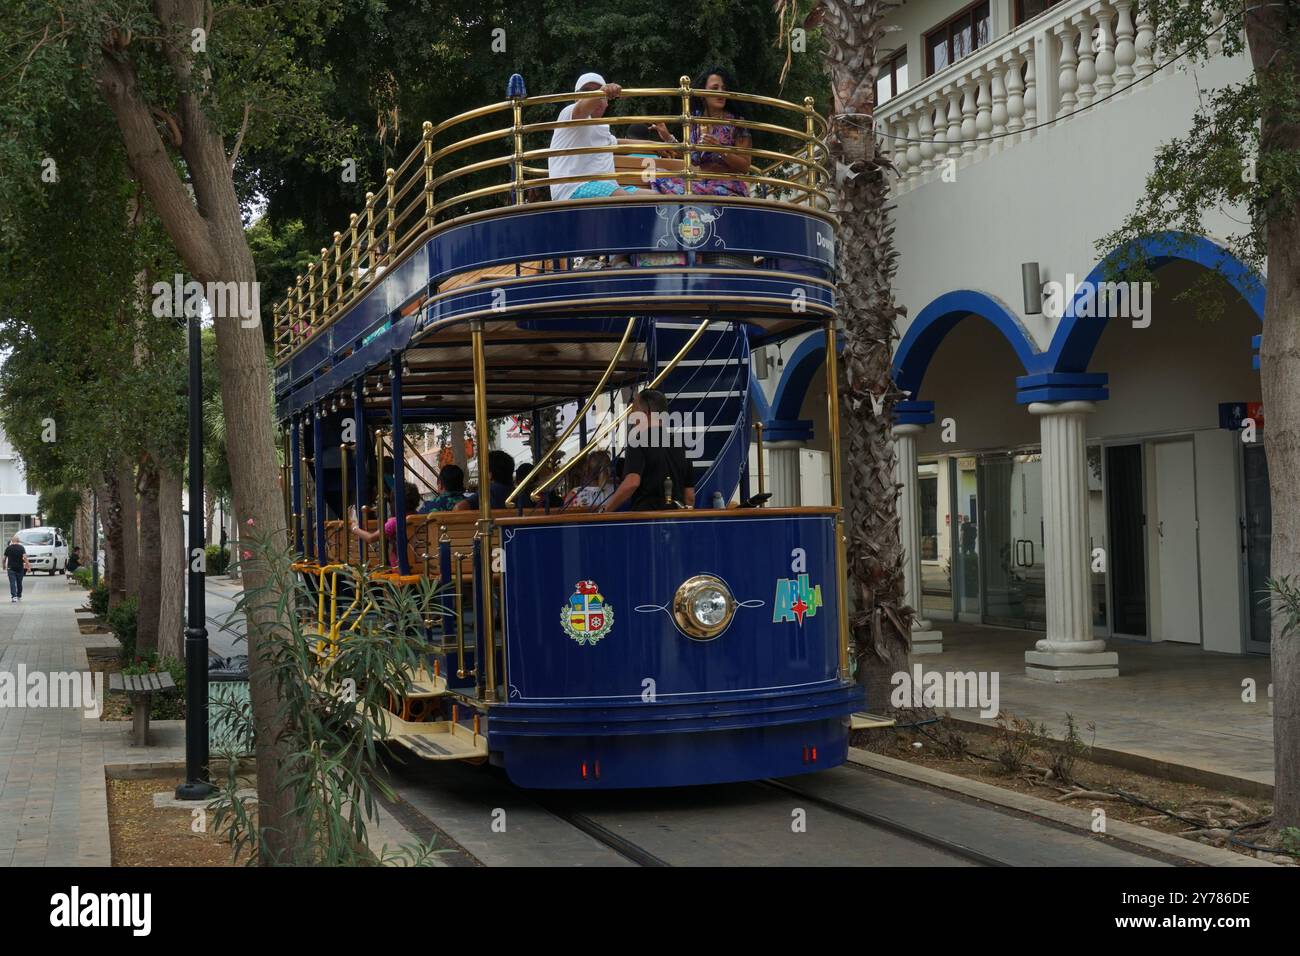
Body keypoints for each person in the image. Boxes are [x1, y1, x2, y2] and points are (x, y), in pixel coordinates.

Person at [548, 72, 653, 203]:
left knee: (656, 196)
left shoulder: (601, 128)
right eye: (587, 91)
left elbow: (618, 143)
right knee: (625, 198)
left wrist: (656, 147)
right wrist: (602, 91)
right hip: (573, 189)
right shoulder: (570, 114)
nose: (596, 95)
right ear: (576, 98)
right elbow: (581, 109)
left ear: (607, 102)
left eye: (600, 93)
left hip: (609, 188)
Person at [650, 66, 752, 197]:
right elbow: (691, 156)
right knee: (657, 174)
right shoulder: (696, 121)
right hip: (703, 185)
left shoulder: (736, 122)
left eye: (723, 88)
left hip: (728, 187)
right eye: (715, 88)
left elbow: (745, 166)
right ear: (703, 94)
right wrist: (667, 136)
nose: (721, 92)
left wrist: (720, 150)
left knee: (686, 192)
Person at [601, 390, 695, 512]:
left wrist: (606, 510)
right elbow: (689, 496)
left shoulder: (637, 440)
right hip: (675, 518)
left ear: (646, 413)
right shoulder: (681, 443)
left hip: (646, 521)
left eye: (634, 410)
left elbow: (632, 482)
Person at [350, 481, 420, 566]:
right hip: (421, 565)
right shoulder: (420, 518)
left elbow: (371, 538)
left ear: (395, 502)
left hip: (399, 567)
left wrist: (354, 528)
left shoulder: (395, 522)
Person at [5, 535, 31, 602]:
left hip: (10, 568)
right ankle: (19, 595)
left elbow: (4, 558)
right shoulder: (21, 548)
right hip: (20, 568)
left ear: (12, 541)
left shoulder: (8, 548)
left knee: (12, 583)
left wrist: (3, 565)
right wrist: (28, 567)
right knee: (19, 582)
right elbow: (25, 558)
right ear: (18, 541)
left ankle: (14, 597)